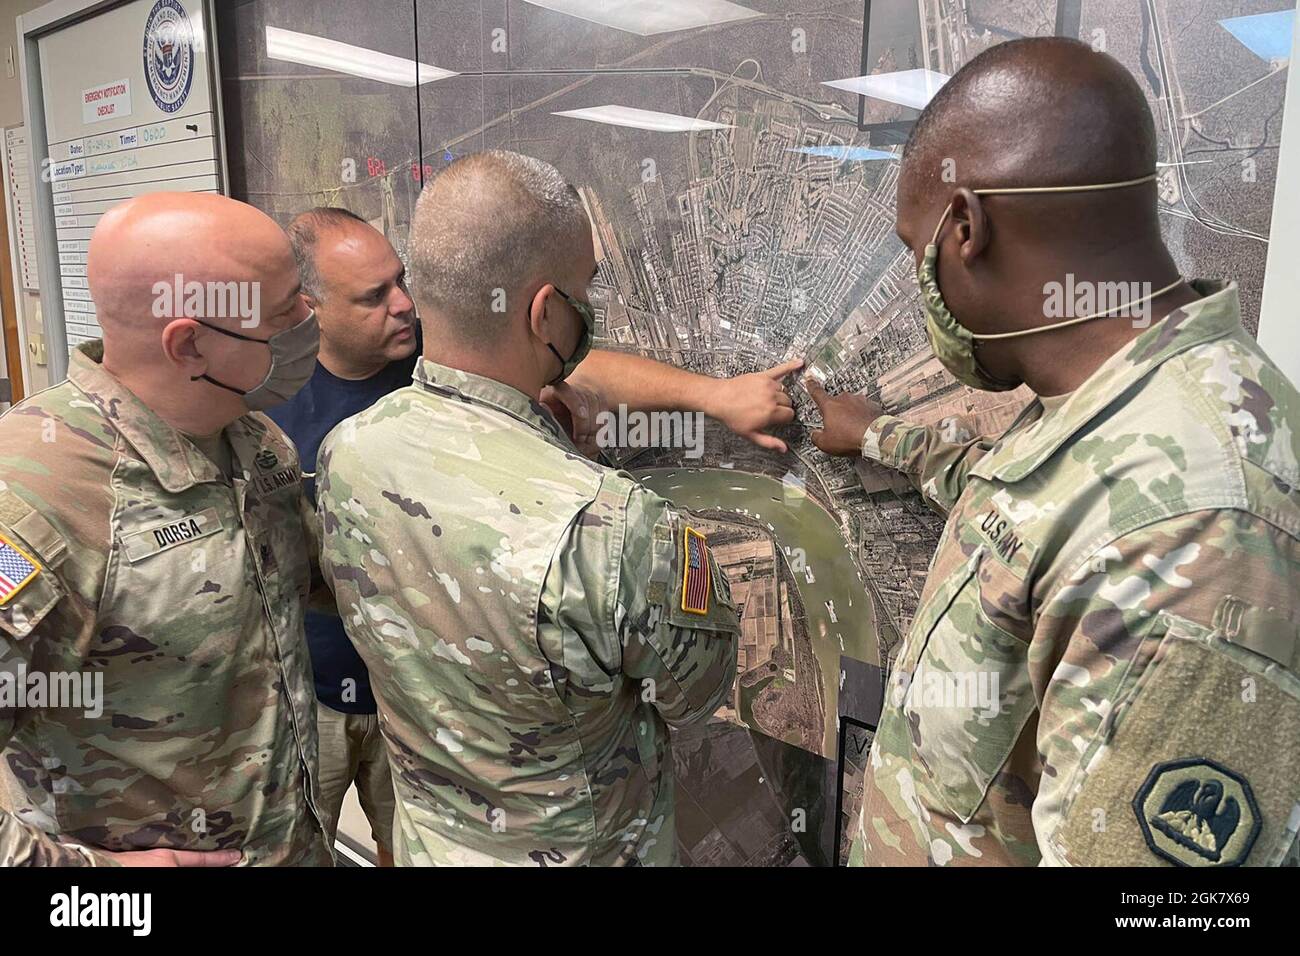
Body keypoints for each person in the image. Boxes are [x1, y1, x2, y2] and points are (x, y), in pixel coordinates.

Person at [807, 37, 1299, 867]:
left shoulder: (1199, 531)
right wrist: (874, 436)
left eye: (912, 249)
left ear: (965, 227)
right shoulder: (1113, 399)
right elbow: (1024, 509)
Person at [273, 207, 801, 864]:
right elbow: (695, 690)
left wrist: (716, 397)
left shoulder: (350, 445)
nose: (401, 305)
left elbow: (591, 377)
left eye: (403, 281)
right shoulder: (616, 524)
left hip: (423, 788)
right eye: (373, 296)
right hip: (350, 703)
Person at [0, 192, 332, 865]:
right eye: (284, 312)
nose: (310, 321)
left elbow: (311, 583)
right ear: (189, 344)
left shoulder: (252, 439)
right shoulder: (36, 500)